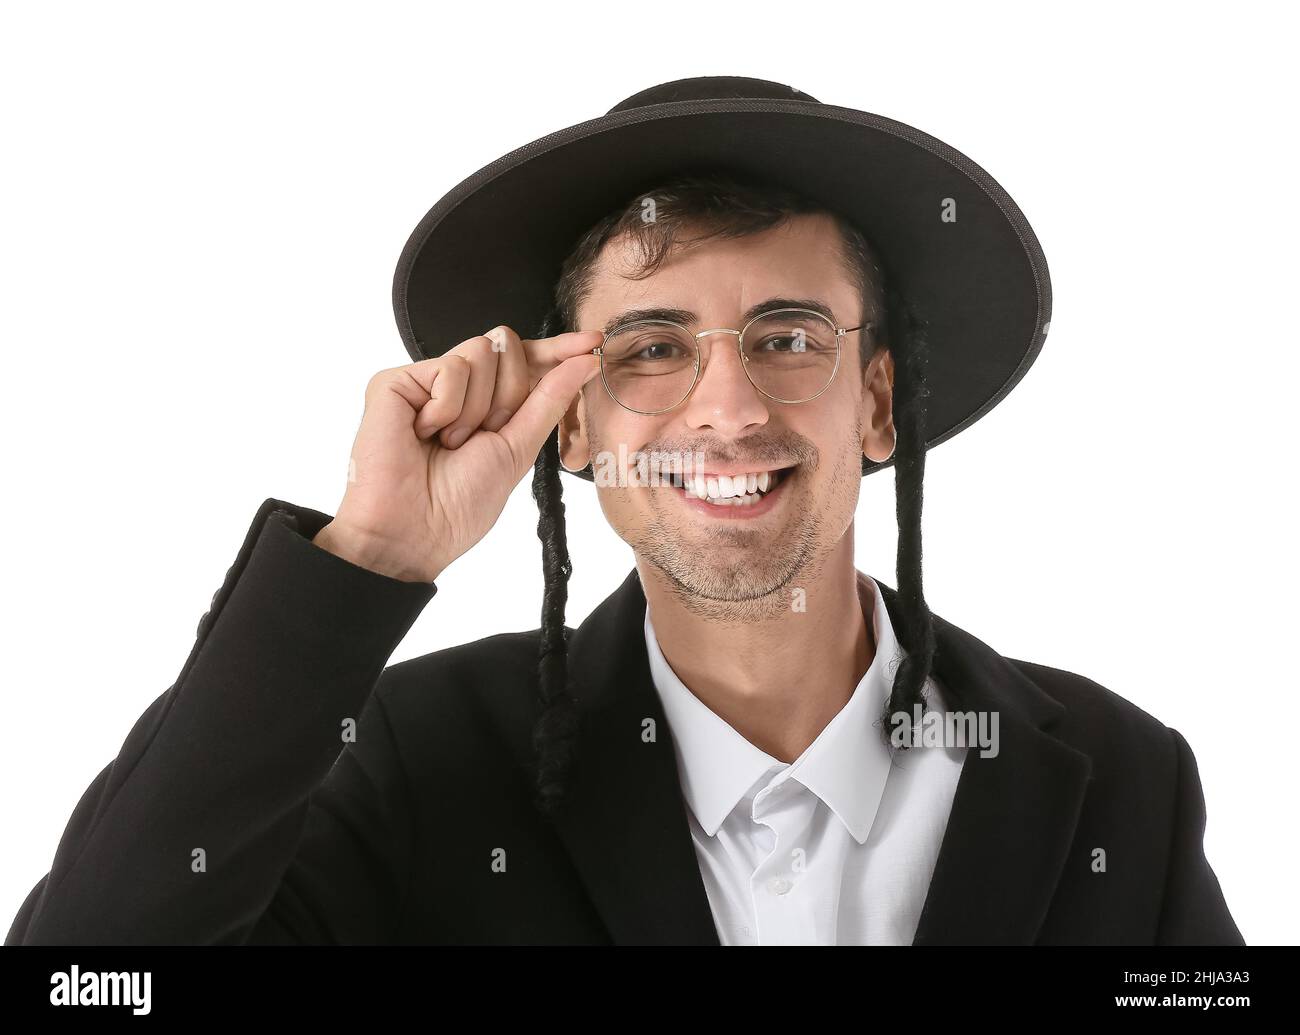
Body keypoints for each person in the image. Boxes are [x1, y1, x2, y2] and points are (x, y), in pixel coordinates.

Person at [6, 77, 1243, 945]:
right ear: (575, 423)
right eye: (650, 347)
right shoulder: (414, 768)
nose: (726, 408)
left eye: (787, 336)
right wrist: (368, 559)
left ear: (877, 404)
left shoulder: (1117, 781)